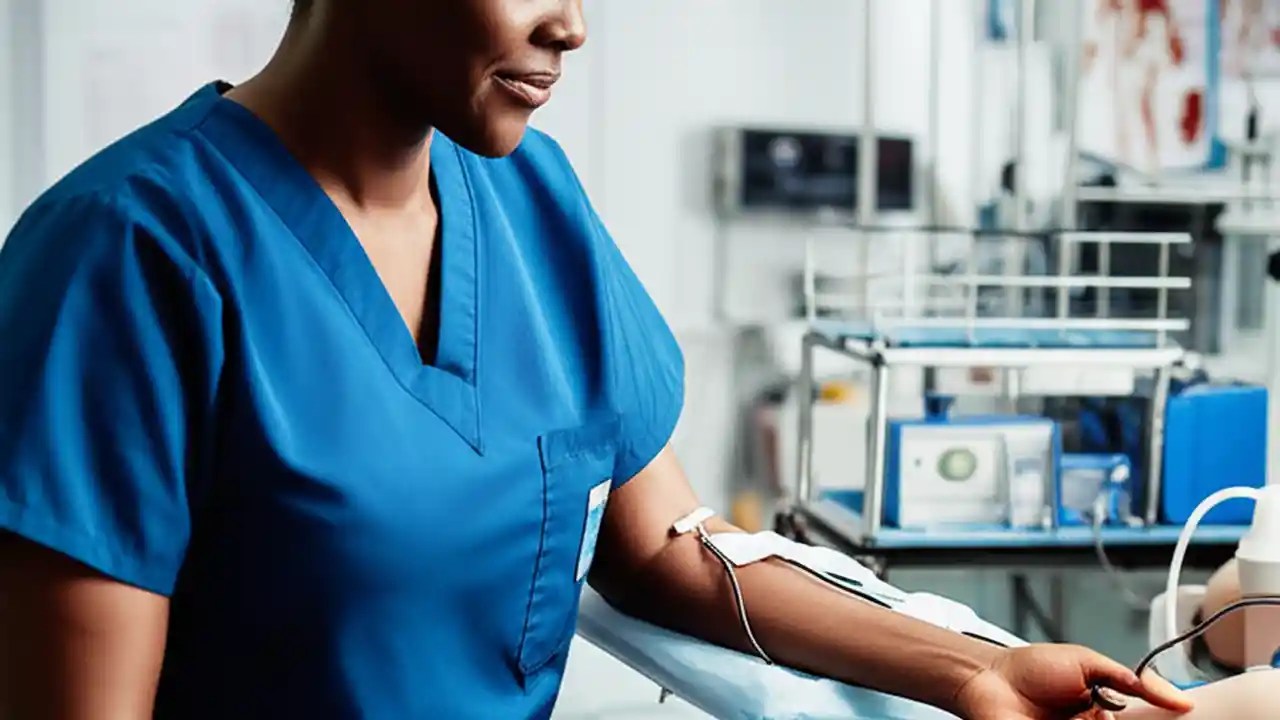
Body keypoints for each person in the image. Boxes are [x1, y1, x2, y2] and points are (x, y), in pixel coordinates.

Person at [0, 2, 1195, 719]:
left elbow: (668, 554)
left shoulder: (534, 205)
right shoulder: (128, 257)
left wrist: (975, 667)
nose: (571, 23)